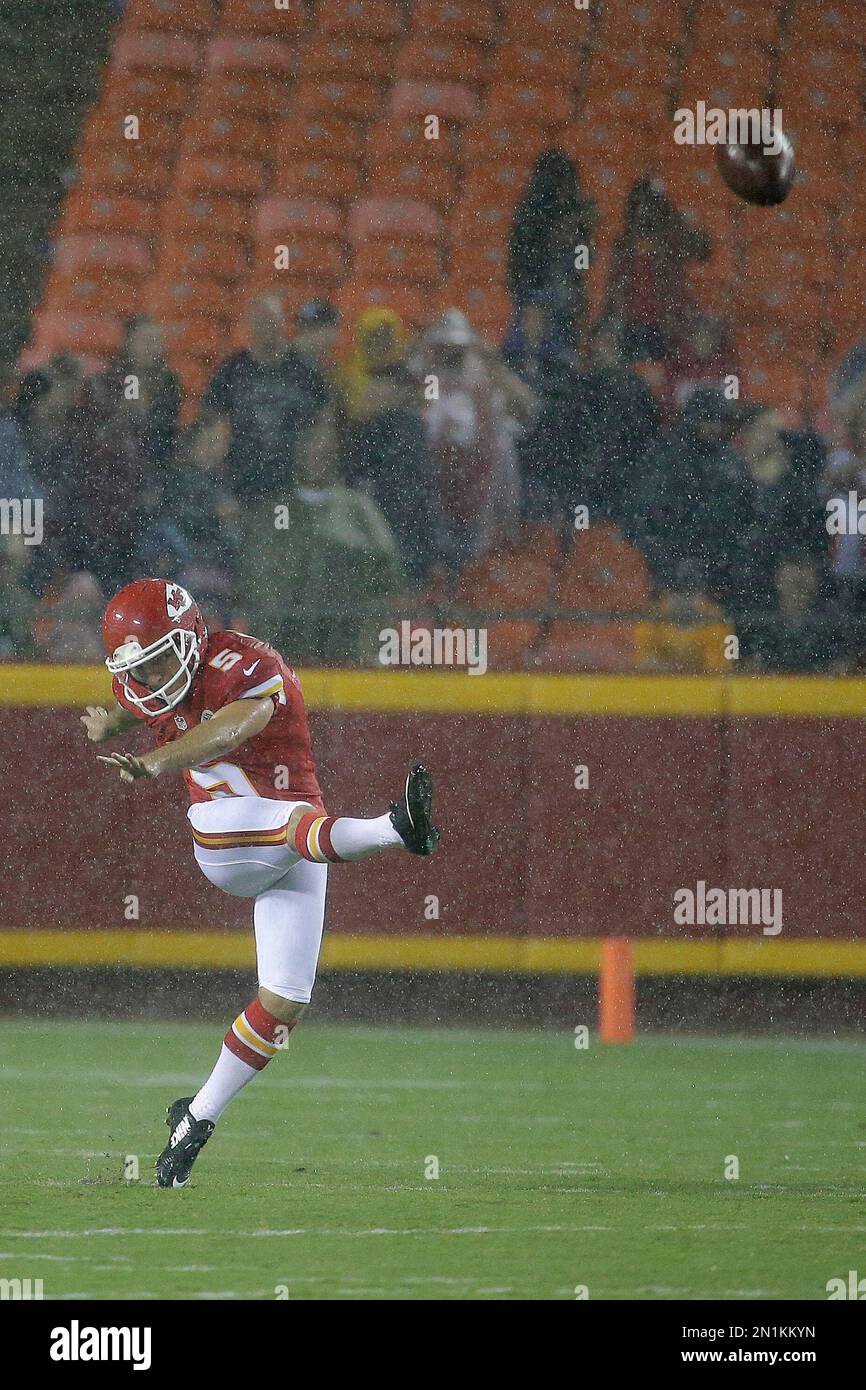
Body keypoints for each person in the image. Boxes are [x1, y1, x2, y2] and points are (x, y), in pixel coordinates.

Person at [83, 578, 439, 1187]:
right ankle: (395, 827)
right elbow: (143, 704)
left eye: (162, 658)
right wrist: (111, 723)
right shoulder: (143, 681)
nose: (153, 676)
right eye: (141, 668)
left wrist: (151, 761)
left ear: (191, 637)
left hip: (290, 836)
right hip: (226, 837)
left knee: (283, 1001)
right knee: (302, 826)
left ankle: (192, 1121)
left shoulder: (248, 667)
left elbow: (228, 729)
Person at [203, 293, 330, 505]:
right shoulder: (231, 370)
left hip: (293, 479)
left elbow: (324, 423)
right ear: (250, 326)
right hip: (242, 480)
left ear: (283, 324)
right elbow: (212, 420)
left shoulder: (306, 370)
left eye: (272, 321)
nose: (267, 328)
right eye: (261, 322)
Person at [508, 148, 598, 350]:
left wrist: (582, 233)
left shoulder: (576, 217)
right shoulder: (531, 214)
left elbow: (583, 265)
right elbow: (528, 257)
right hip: (537, 288)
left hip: (565, 299)